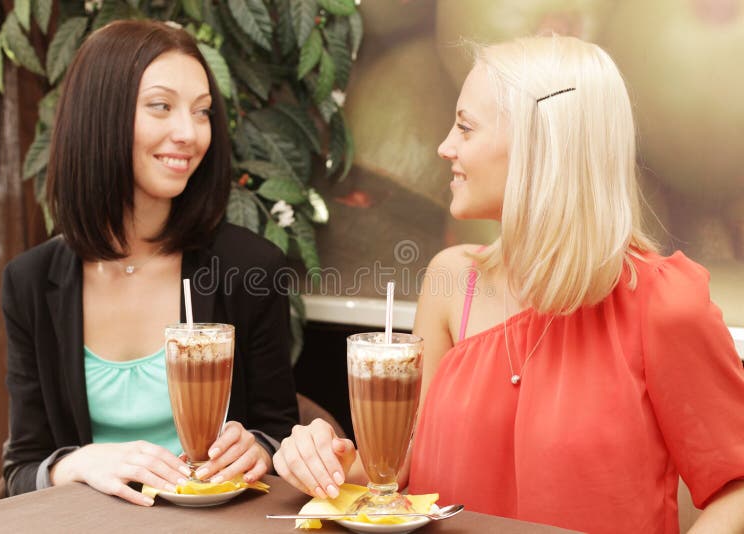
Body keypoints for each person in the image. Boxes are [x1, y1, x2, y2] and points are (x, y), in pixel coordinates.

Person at [272, 35, 744, 533]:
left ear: (540, 145)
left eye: (465, 127)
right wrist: (323, 456)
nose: (444, 147)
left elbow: (737, 486)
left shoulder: (664, 304)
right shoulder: (453, 281)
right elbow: (399, 466)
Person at [1, 20, 298, 506]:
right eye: (161, 106)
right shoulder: (31, 281)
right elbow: (23, 467)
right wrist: (78, 462)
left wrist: (259, 449)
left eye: (201, 112)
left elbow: (279, 432)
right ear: (100, 115)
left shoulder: (250, 266)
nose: (189, 132)